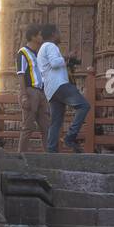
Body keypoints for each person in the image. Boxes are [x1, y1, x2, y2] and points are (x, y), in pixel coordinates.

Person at [36, 24, 89, 153]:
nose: (60, 35)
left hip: (51, 90)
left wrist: (68, 61)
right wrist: (68, 56)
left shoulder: (43, 49)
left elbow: (54, 64)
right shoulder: (50, 46)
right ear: (53, 34)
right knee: (83, 106)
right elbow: (54, 63)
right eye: (59, 32)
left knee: (56, 122)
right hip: (59, 85)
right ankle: (70, 137)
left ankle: (51, 150)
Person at [14, 26, 50, 154]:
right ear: (33, 37)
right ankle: (21, 155)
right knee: (28, 126)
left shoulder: (38, 54)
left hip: (41, 92)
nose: (41, 37)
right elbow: (21, 74)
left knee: (46, 126)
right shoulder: (23, 53)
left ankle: (49, 156)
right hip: (30, 91)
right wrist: (24, 96)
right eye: (39, 35)